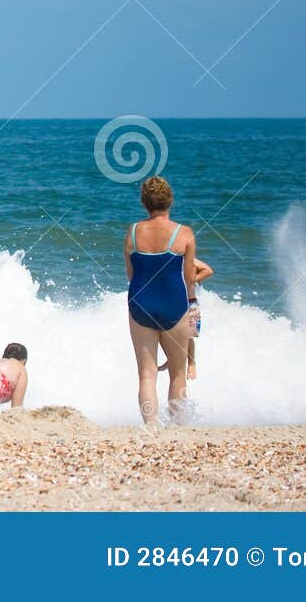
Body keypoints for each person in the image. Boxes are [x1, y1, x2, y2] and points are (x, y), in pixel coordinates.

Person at [124, 175, 199, 425]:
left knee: (146, 374)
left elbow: (130, 274)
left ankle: (151, 427)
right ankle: (177, 426)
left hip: (140, 303)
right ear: (170, 202)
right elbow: (189, 278)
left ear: (145, 203)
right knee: (178, 374)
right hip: (174, 305)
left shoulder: (133, 231)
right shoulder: (184, 233)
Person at [160, 257, 213, 379]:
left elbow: (208, 270)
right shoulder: (169, 259)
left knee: (188, 335)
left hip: (190, 302)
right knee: (165, 332)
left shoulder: (189, 259)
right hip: (173, 301)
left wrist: (193, 280)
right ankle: (170, 359)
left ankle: (191, 363)